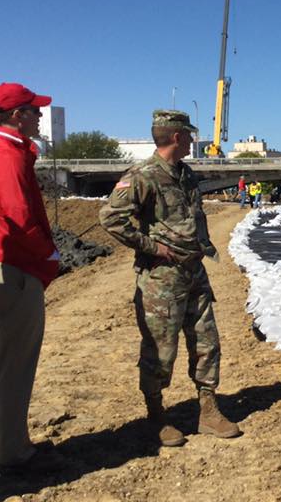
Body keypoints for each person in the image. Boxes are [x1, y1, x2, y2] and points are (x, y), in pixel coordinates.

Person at [99, 110, 241, 446]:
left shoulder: (186, 174)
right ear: (176, 137)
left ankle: (208, 410)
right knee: (161, 350)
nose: (193, 140)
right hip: (162, 278)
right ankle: (157, 416)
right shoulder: (142, 176)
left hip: (194, 272)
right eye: (189, 135)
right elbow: (110, 218)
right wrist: (153, 248)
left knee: (207, 342)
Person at [0, 82, 62, 476]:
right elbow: (19, 217)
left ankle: (4, 440)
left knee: (7, 362)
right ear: (15, 115)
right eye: (32, 110)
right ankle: (11, 451)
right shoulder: (6, 156)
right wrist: (49, 254)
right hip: (15, 269)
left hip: (2, 266)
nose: (39, 116)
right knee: (16, 364)